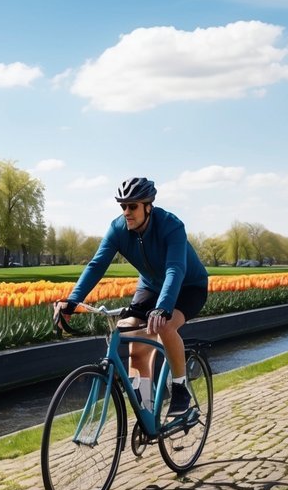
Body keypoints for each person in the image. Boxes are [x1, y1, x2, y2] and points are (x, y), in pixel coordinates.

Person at [57, 177, 209, 418]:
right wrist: (73, 300)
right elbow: (97, 265)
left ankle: (180, 389)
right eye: (123, 206)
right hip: (150, 286)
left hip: (188, 286)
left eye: (132, 206)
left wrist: (163, 308)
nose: (126, 212)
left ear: (148, 206)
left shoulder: (171, 226)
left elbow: (175, 269)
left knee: (165, 327)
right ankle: (146, 406)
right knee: (127, 330)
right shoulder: (118, 229)